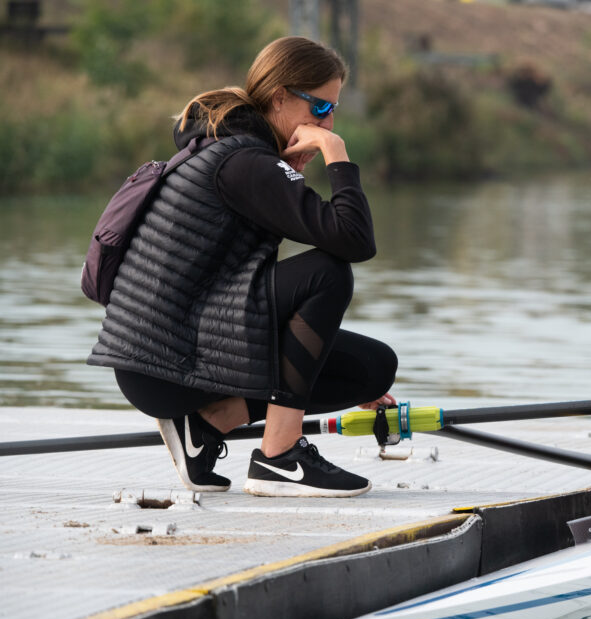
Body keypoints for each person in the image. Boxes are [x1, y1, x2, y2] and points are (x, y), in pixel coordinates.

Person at [87, 36, 397, 498]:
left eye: (333, 111)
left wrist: (295, 165)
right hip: (165, 364)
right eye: (319, 107)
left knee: (369, 368)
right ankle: (279, 456)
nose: (328, 122)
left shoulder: (237, 152)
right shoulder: (244, 162)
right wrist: (336, 152)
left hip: (166, 360)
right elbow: (354, 239)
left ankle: (207, 424)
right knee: (327, 273)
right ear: (280, 98)